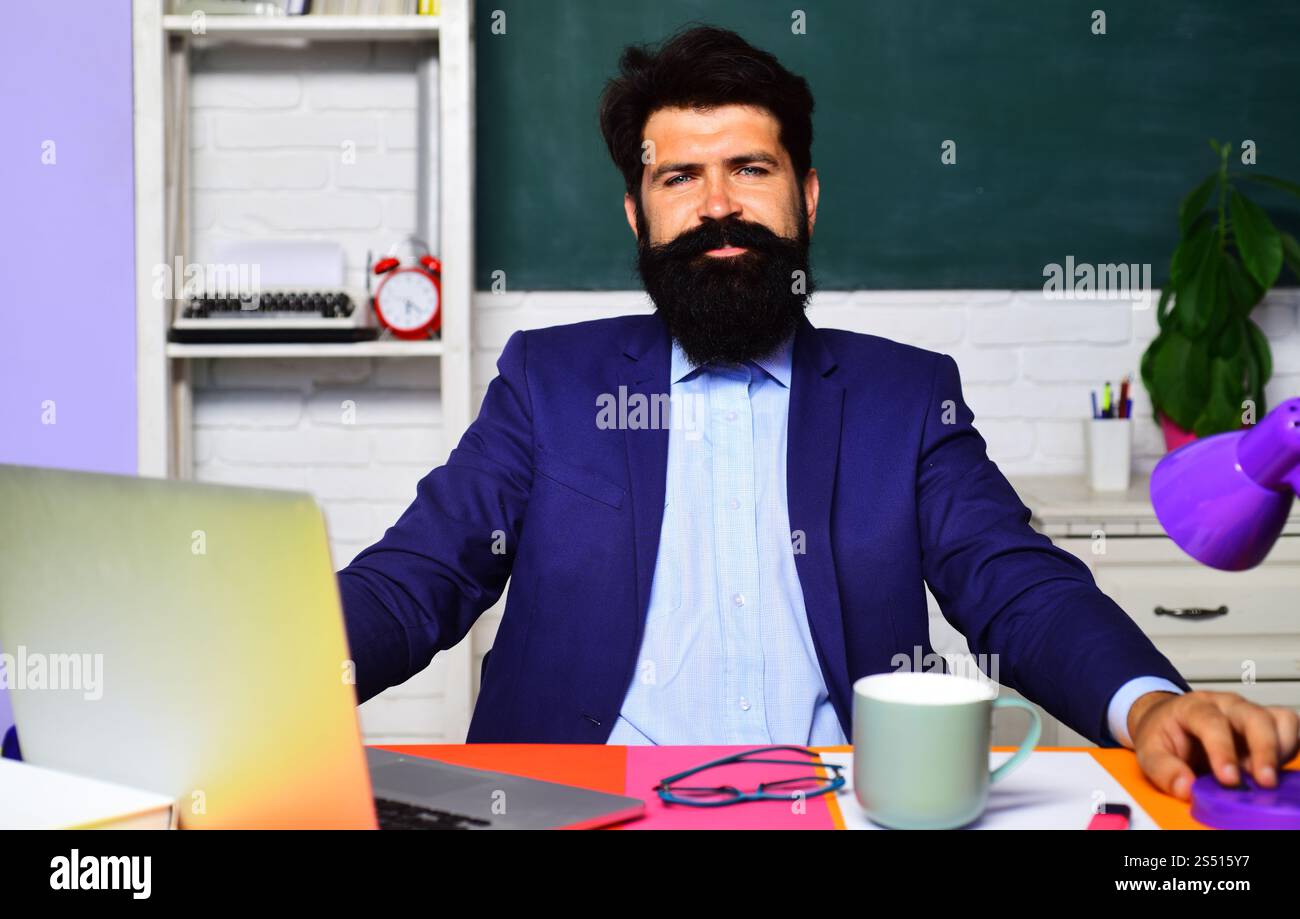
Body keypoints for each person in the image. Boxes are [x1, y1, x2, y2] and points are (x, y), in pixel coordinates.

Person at [337, 25, 1298, 801]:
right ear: (638, 214)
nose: (720, 206)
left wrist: (1148, 705)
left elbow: (1018, 587)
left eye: (751, 170)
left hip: (837, 803)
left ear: (806, 195)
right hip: (581, 803)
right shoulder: (550, 379)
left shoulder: (906, 396)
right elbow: (417, 577)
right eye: (680, 178)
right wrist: (270, 678)